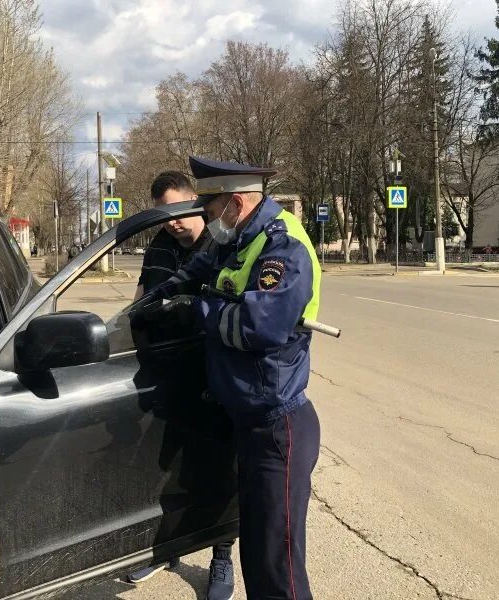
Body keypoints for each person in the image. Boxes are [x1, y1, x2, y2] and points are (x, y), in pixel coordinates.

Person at [146, 156, 322, 600]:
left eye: (210, 207)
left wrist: (199, 309)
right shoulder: (240, 237)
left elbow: (257, 327)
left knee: (276, 563)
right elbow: (201, 271)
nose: (206, 217)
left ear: (236, 202)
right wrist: (164, 294)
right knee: (257, 555)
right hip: (247, 419)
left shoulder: (283, 247)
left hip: (275, 427)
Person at [127, 170, 237, 600]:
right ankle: (166, 549)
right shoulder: (159, 245)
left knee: (215, 468)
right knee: (162, 466)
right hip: (165, 373)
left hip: (210, 376)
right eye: (164, 214)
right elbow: (141, 301)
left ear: (195, 202)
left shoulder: (222, 243)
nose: (173, 222)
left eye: (180, 211)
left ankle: (221, 558)